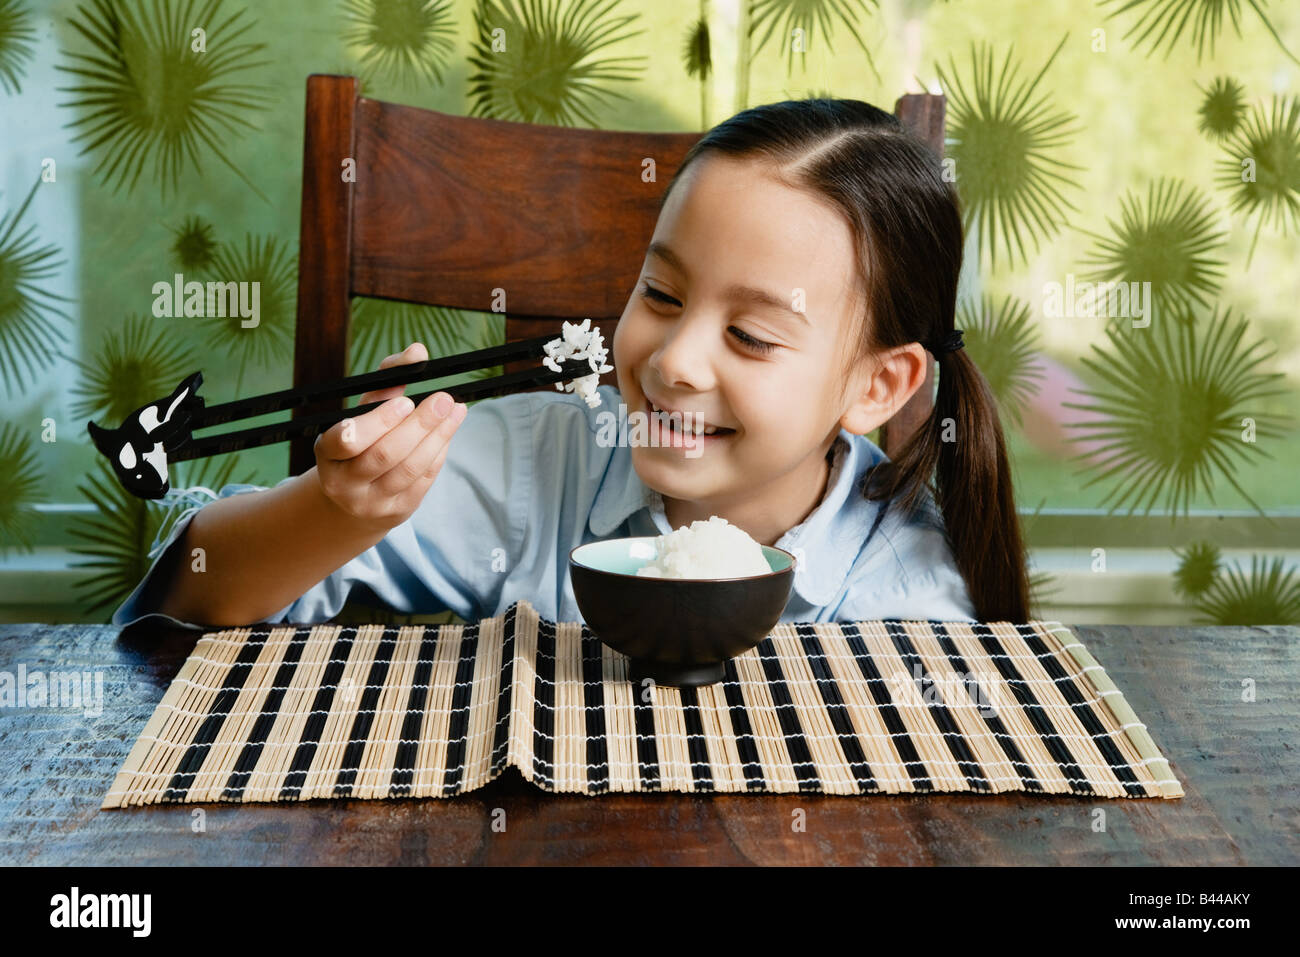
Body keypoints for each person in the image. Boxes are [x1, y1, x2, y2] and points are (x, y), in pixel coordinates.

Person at [112, 97, 1030, 631]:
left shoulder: (906, 600)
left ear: (878, 385)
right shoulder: (540, 462)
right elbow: (186, 594)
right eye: (661, 295)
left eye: (750, 336)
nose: (672, 362)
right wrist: (332, 508)